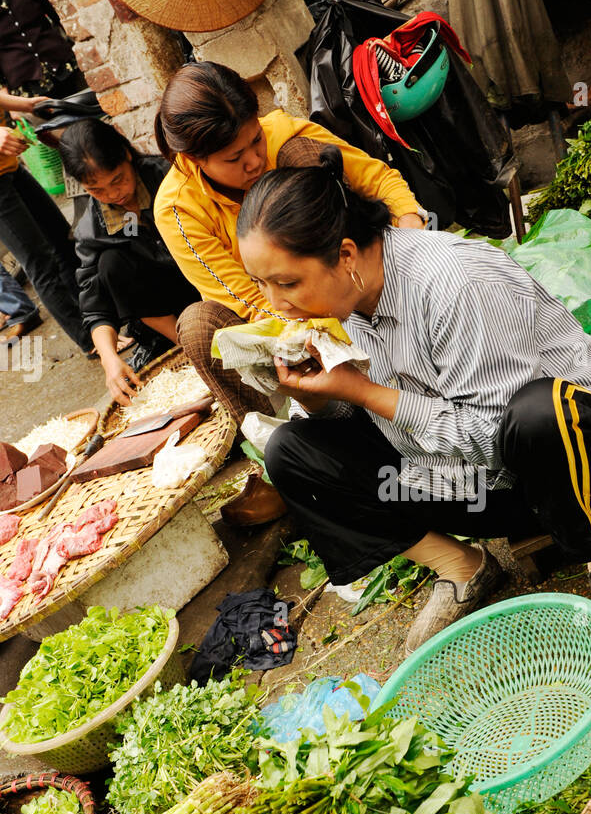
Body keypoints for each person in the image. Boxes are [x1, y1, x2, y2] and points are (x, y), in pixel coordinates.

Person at [236, 146, 591, 653]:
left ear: (346, 255)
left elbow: (499, 435)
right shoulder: (344, 302)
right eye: (261, 283)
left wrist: (365, 391)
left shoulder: (453, 283)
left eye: (287, 282)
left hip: (588, 464)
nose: (275, 302)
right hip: (478, 488)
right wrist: (318, 398)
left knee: (537, 414)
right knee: (291, 450)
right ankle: (462, 567)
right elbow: (368, 422)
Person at [153, 60, 425, 525]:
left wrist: (416, 236)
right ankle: (287, 459)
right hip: (283, 315)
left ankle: (394, 374)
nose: (255, 160)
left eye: (254, 140)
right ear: (194, 161)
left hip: (352, 280)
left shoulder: (284, 137)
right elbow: (244, 297)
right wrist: (307, 323)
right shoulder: (177, 207)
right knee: (198, 326)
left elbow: (379, 180)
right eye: (234, 159)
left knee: (307, 156)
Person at [57, 118, 198, 404]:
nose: (112, 195)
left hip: (207, 281)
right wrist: (109, 360)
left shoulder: (171, 178)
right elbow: (95, 305)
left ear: (127, 154)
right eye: (96, 190)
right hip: (167, 311)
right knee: (111, 263)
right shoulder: (94, 229)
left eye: (117, 179)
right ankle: (189, 346)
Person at [0, 85, 88, 352]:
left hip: (10, 167)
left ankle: (99, 320)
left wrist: (26, 105)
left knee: (64, 241)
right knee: (41, 262)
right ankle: (89, 340)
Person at [0, 0, 85, 100]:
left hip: (65, 66)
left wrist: (80, 46)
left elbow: (57, 15)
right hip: (27, 89)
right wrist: (9, 103)